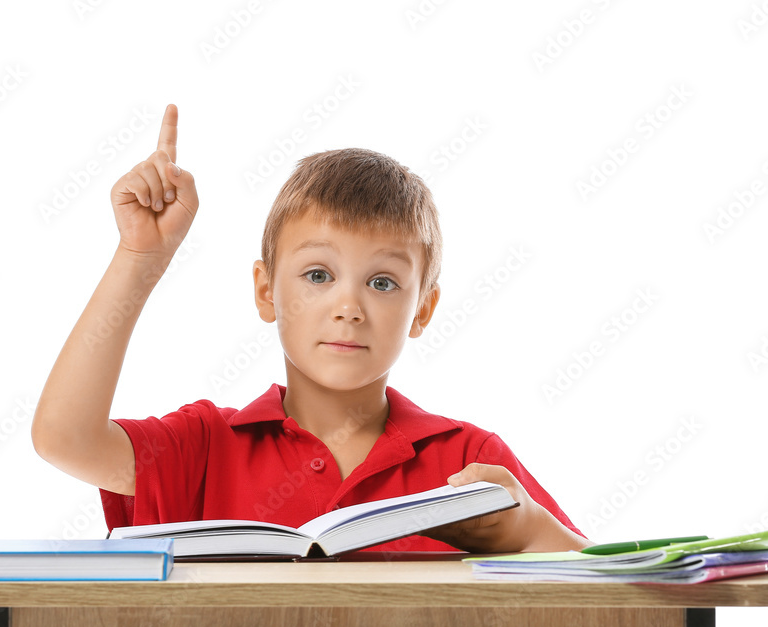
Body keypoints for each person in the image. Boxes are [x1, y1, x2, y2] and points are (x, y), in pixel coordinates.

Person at [31, 104, 588, 554]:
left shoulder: (468, 459)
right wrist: (139, 258)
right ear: (266, 291)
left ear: (423, 309)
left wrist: (529, 531)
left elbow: (611, 592)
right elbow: (63, 437)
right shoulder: (202, 447)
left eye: (383, 283)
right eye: (319, 274)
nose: (348, 307)